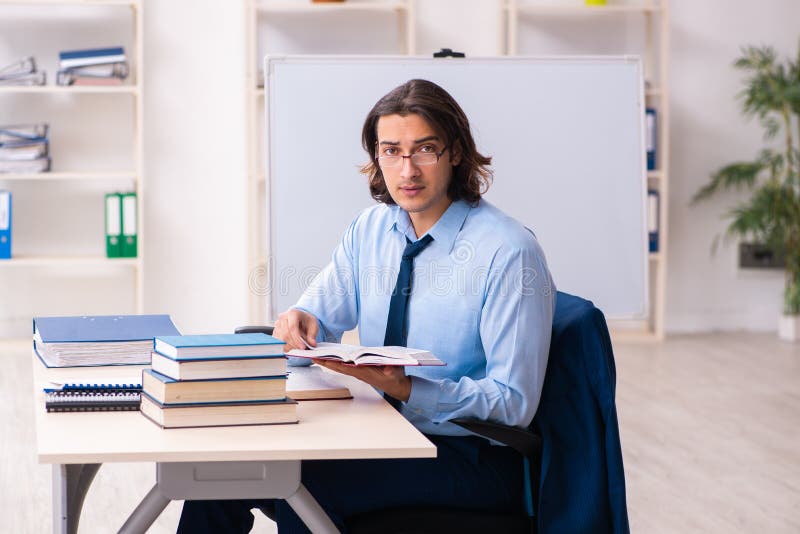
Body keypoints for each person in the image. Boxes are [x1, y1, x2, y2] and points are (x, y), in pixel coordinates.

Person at [178, 79, 556, 533]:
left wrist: (410, 390)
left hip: (470, 455)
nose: (407, 170)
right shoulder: (371, 229)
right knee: (221, 470)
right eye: (391, 151)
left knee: (300, 483)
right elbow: (320, 314)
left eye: (425, 149)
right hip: (381, 432)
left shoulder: (508, 252)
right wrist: (301, 319)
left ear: (455, 153)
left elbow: (514, 404)